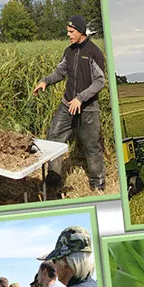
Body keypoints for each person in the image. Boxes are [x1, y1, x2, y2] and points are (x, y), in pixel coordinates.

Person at [32, 15, 107, 191]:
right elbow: (60, 72)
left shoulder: (94, 53)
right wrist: (45, 81)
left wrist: (80, 98)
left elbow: (99, 81)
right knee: (54, 140)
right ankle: (53, 179)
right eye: (68, 31)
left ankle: (98, 183)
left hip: (88, 108)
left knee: (92, 146)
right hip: (67, 105)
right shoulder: (69, 51)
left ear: (81, 31)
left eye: (71, 31)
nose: (68, 34)